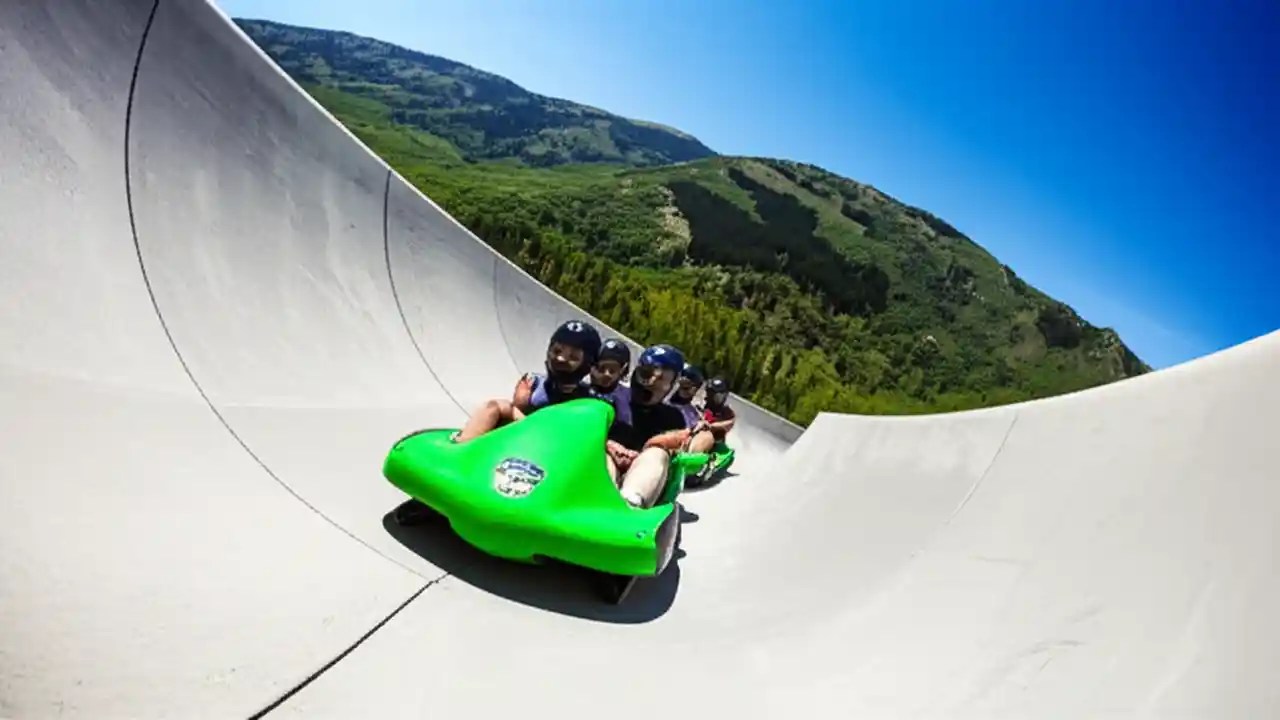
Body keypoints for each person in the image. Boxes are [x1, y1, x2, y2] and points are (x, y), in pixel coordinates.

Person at [453, 319, 601, 442]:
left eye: (573, 357)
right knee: (496, 406)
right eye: (557, 351)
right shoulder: (533, 382)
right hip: (528, 435)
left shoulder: (591, 398)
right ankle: (464, 446)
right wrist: (521, 404)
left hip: (560, 445)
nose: (561, 359)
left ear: (587, 363)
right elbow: (517, 412)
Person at [604, 344, 695, 508]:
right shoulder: (612, 396)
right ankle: (599, 500)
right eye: (647, 374)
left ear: (671, 386)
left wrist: (648, 449)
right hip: (603, 466)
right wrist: (608, 445)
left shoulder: (674, 418)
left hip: (644, 479)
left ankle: (629, 507)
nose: (651, 383)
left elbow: (679, 451)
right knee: (604, 456)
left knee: (657, 454)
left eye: (660, 380)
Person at [583, 338, 633, 426]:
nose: (607, 374)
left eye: (612, 370)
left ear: (622, 371)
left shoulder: (626, 398)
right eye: (601, 368)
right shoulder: (579, 390)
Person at [666, 363, 705, 427]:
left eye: (695, 388)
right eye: (685, 387)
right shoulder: (665, 408)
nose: (690, 392)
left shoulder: (693, 410)